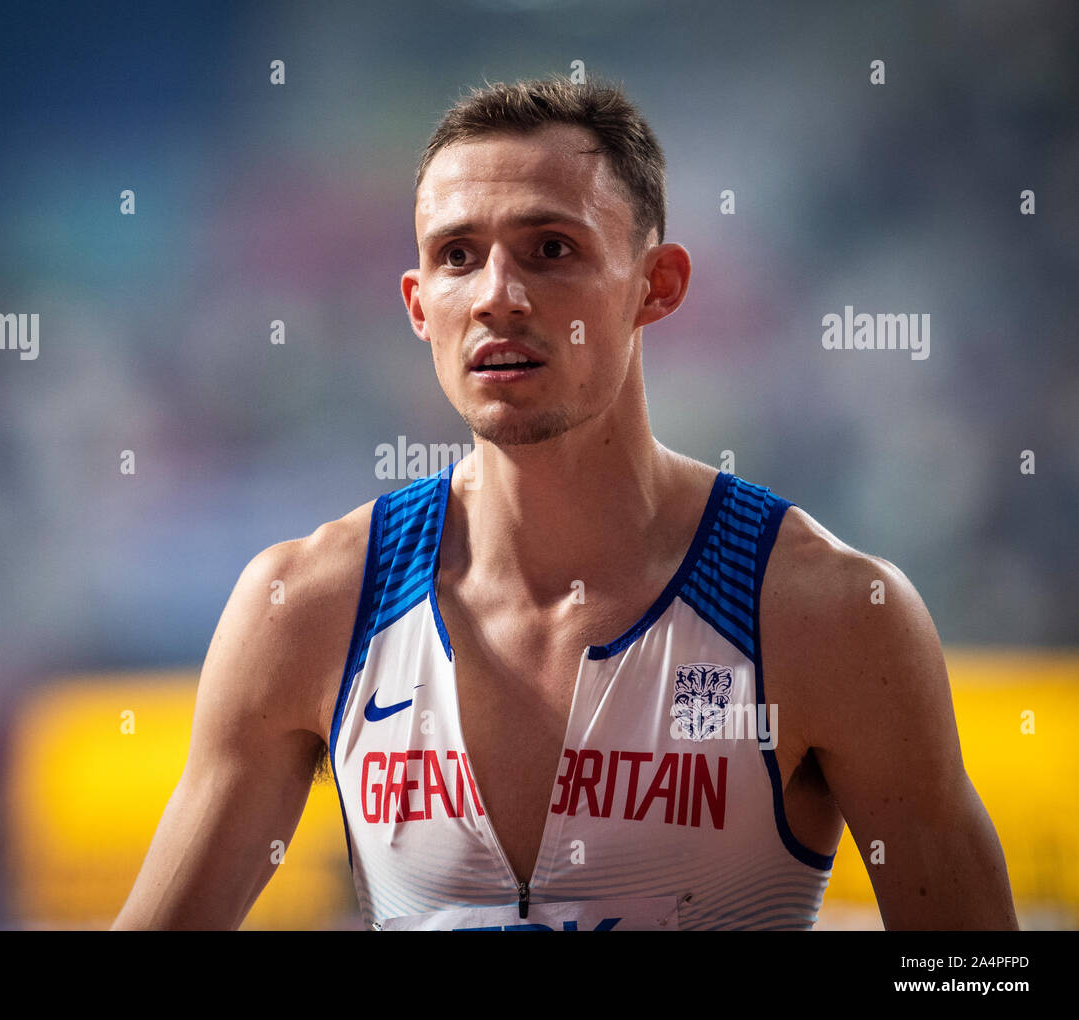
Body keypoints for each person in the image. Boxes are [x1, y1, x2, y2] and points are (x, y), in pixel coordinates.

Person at [112, 76, 1017, 931]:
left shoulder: (829, 615)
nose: (498, 296)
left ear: (656, 286)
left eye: (552, 249)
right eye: (457, 257)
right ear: (419, 305)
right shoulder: (305, 608)